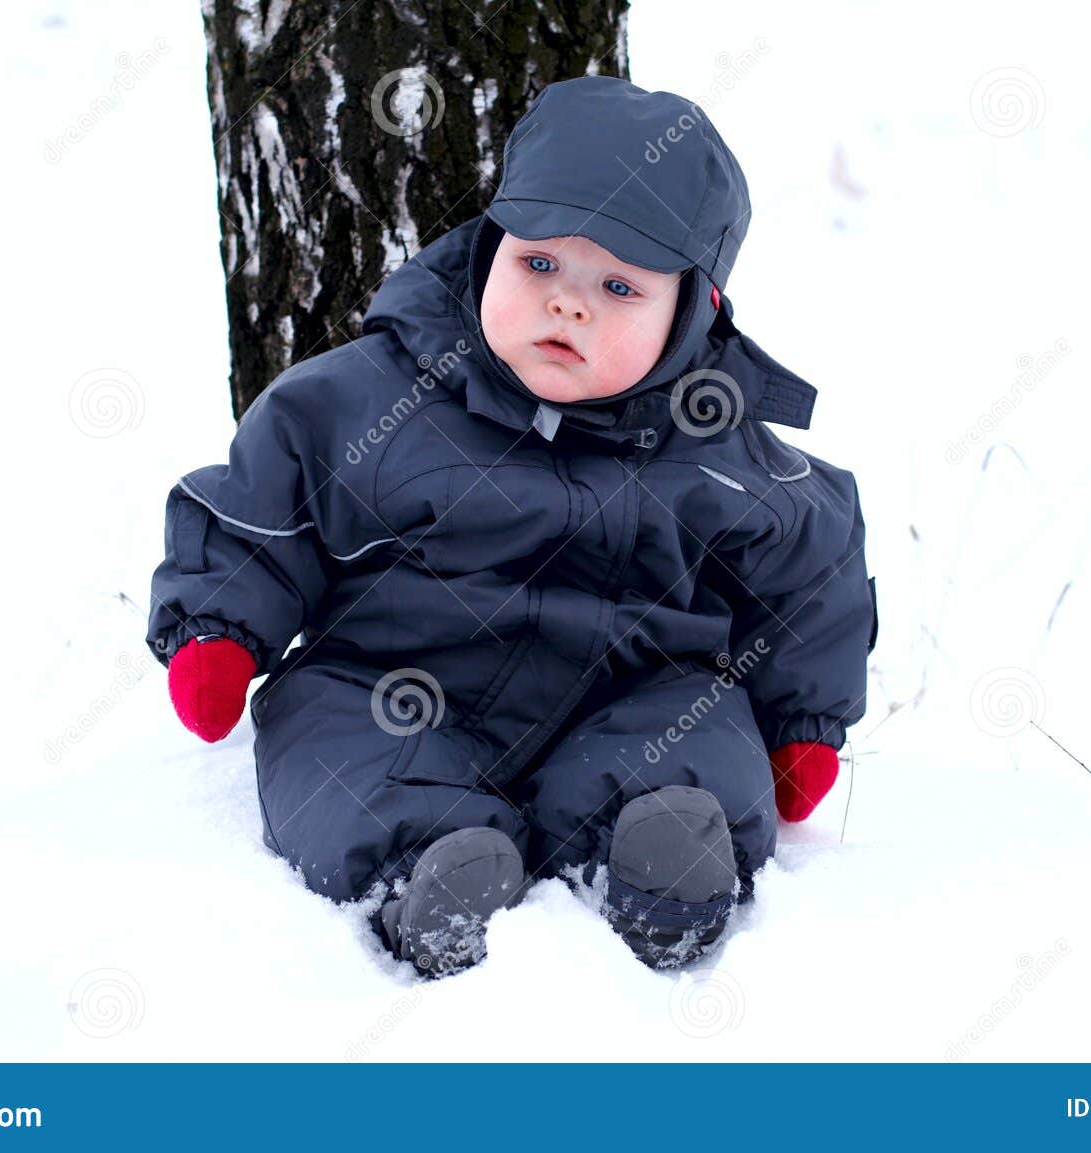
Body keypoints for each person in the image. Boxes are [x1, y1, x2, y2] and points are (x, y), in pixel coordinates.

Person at [146, 75, 878, 977]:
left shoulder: (717, 444)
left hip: (628, 695)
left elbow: (814, 566)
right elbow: (265, 497)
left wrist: (805, 719)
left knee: (695, 736)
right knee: (332, 744)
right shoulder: (379, 392)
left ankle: (656, 860)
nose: (568, 303)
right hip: (391, 681)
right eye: (540, 265)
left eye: (619, 285)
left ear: (696, 314)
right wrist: (218, 626)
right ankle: (429, 870)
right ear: (489, 249)